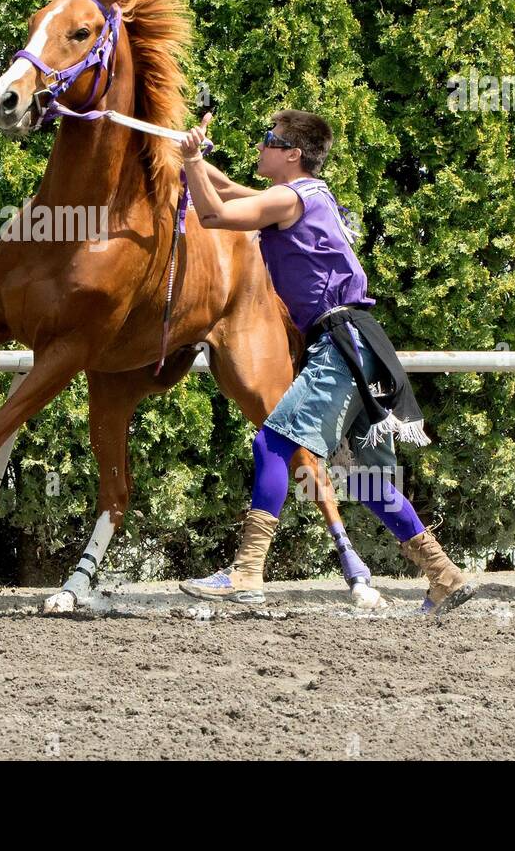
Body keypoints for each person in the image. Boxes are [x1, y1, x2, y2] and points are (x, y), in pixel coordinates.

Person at [176, 109, 473, 614]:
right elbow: (225, 188)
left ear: (292, 153)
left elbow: (212, 214)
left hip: (338, 344)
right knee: (368, 481)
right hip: (362, 343)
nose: (261, 146)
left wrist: (189, 162)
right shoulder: (305, 197)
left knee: (272, 441)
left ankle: (246, 571)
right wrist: (191, 159)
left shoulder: (293, 198)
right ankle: (443, 574)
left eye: (269, 139)